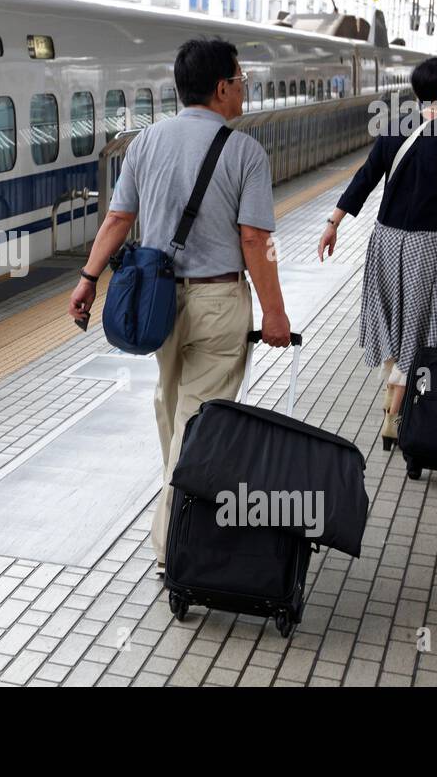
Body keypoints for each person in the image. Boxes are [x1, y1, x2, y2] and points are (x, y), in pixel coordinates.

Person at [68, 38, 290, 574]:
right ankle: (176, 546)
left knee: (172, 413)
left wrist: (87, 278)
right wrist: (275, 313)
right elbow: (255, 243)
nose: (243, 90)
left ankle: (183, 517)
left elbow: (117, 221)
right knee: (197, 427)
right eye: (240, 81)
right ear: (221, 88)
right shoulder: (245, 152)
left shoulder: (144, 142)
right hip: (217, 302)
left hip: (158, 301)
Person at [316, 56, 437, 450]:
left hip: (386, 243)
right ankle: (396, 414)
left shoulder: (396, 128)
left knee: (395, 323)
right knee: (422, 328)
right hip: (429, 246)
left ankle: (391, 398)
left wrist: (333, 223)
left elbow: (366, 177)